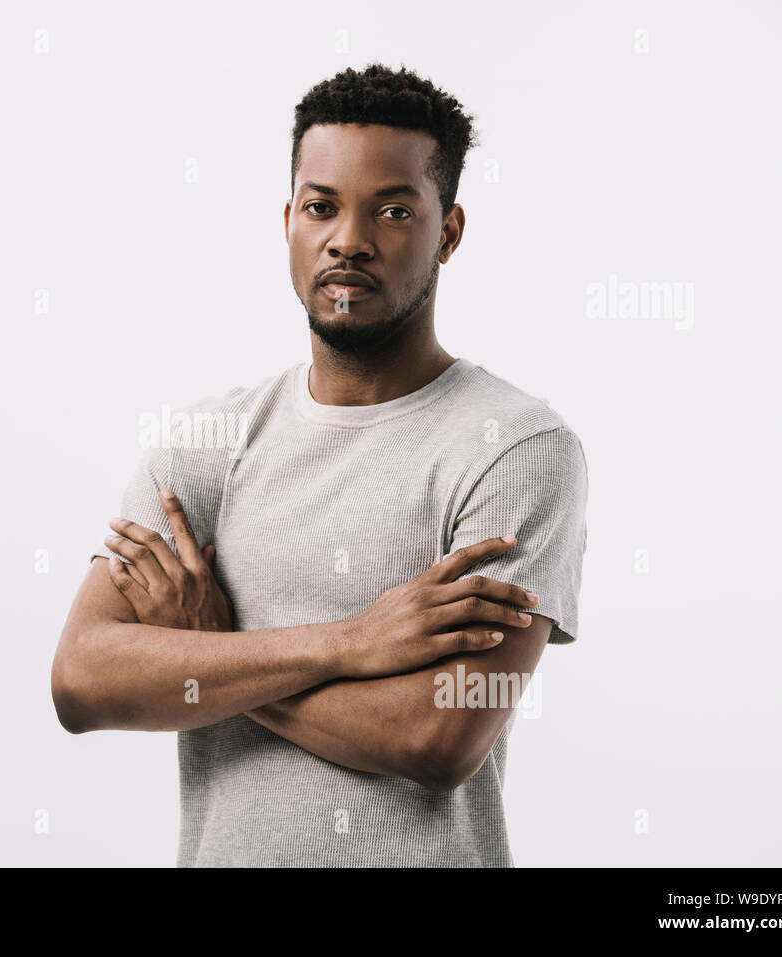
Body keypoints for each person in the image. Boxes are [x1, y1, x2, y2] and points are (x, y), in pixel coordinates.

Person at [51, 63, 589, 867]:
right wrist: (349, 644)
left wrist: (215, 647)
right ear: (289, 220)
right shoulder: (207, 442)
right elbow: (83, 680)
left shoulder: (511, 447)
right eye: (321, 206)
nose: (349, 240)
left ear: (449, 231)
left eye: (394, 210)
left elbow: (438, 734)